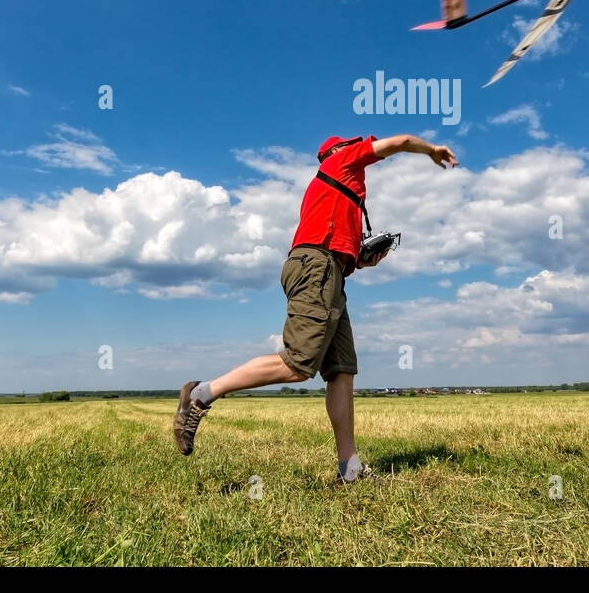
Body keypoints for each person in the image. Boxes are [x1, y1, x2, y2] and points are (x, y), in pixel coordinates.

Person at [173, 133, 458, 484]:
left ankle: (349, 469)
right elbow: (398, 142)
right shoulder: (343, 162)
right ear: (337, 153)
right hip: (317, 269)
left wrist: (363, 259)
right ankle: (199, 395)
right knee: (298, 363)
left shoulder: (337, 194)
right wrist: (431, 149)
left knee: (341, 371)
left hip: (331, 271)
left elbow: (338, 248)